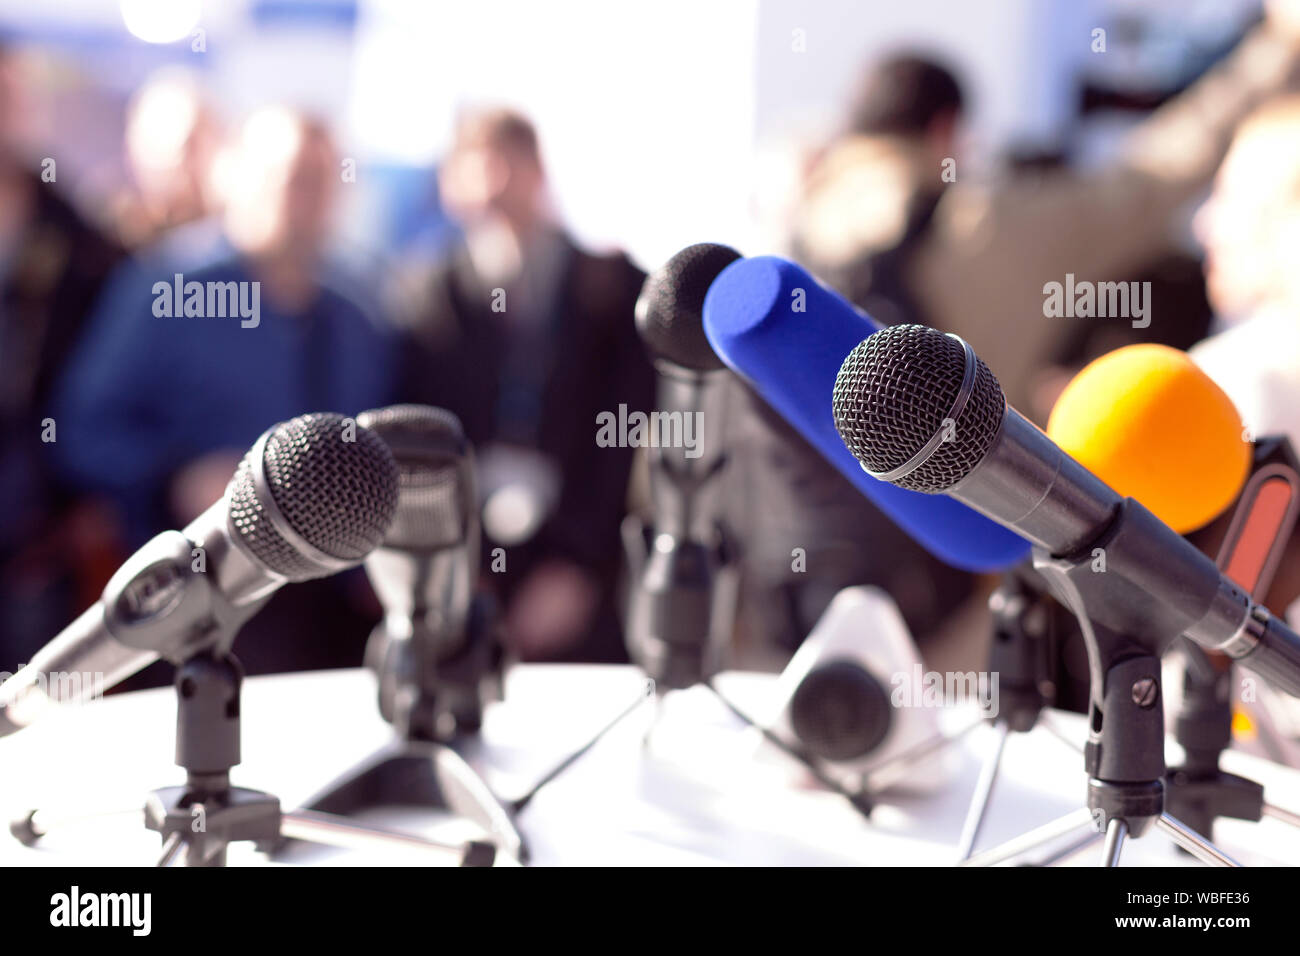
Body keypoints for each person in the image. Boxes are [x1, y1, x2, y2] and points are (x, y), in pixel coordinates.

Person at [793, 7, 1300, 420]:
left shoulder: (802, 235)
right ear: (945, 129)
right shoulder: (979, 226)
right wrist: (1276, 45)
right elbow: (1153, 180)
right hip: (982, 529)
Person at [51, 107, 394, 678]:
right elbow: (81, 429)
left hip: (325, 615)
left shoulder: (360, 314)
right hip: (197, 600)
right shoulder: (168, 289)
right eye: (288, 177)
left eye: (320, 180)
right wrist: (176, 476)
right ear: (235, 175)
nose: (303, 198)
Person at [396, 108, 653, 662]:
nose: (491, 184)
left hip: (579, 569)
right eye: (474, 166)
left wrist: (579, 563)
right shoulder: (426, 297)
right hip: (469, 565)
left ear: (537, 171)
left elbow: (622, 437)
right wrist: (456, 571)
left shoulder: (607, 289)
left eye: (506, 164)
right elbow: (418, 440)